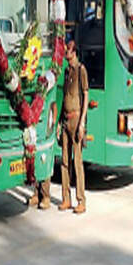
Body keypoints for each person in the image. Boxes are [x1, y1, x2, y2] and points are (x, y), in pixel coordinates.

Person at [58, 41, 88, 214]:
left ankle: (81, 200)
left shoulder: (80, 70)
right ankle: (66, 199)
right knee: (64, 162)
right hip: (66, 120)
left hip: (76, 120)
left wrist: (82, 122)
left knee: (77, 162)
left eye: (67, 52)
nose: (65, 54)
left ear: (74, 53)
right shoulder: (67, 71)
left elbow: (85, 94)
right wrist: (59, 124)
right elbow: (64, 98)